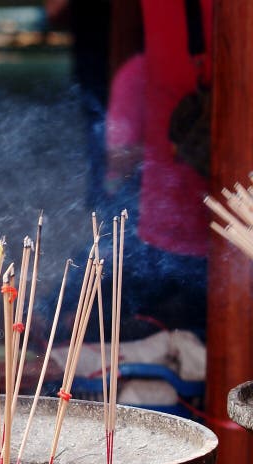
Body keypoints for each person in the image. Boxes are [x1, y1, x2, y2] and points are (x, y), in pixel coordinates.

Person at [104, 0, 211, 334]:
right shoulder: (140, 73)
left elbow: (116, 164)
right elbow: (115, 168)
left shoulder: (138, 71)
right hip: (165, 233)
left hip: (184, 236)